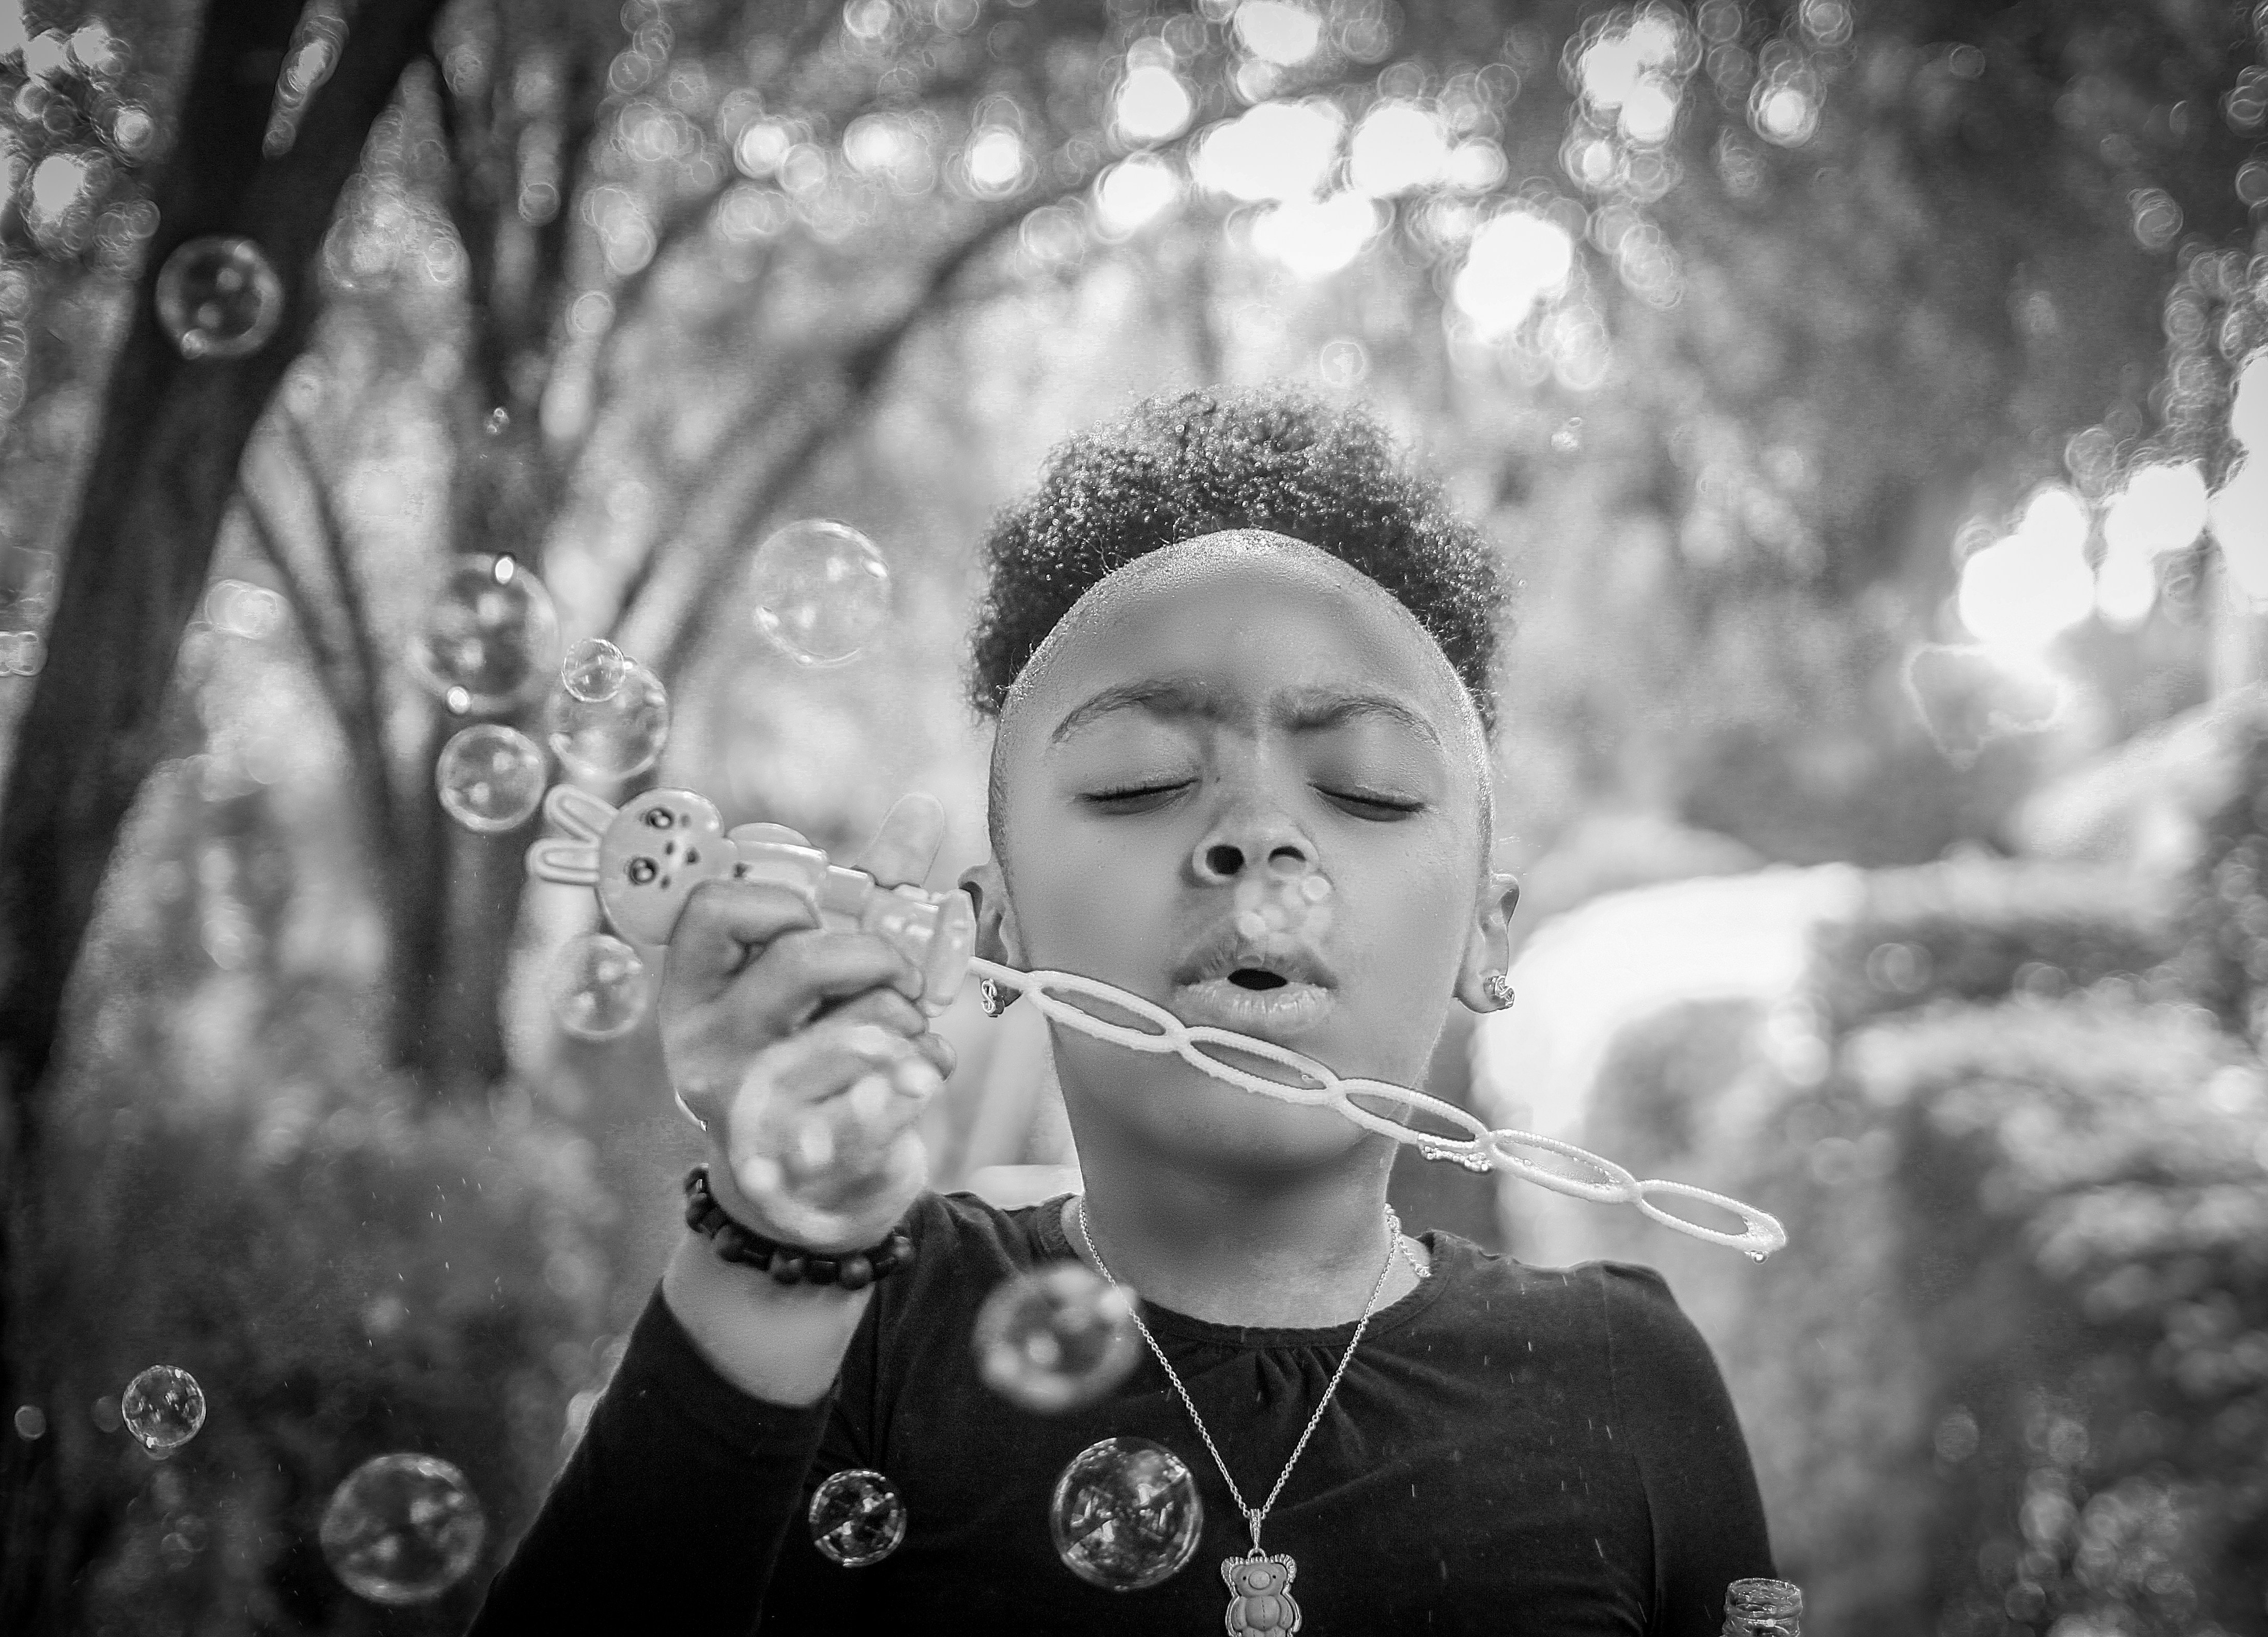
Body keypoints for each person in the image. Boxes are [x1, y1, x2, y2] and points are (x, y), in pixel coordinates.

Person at [466, 386, 1774, 1635]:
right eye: (1140, 781)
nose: (1256, 836)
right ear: (999, 928)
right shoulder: (859, 1322)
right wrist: (777, 1225)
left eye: (1367, 789)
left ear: (1489, 934)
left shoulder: (1631, 1383)